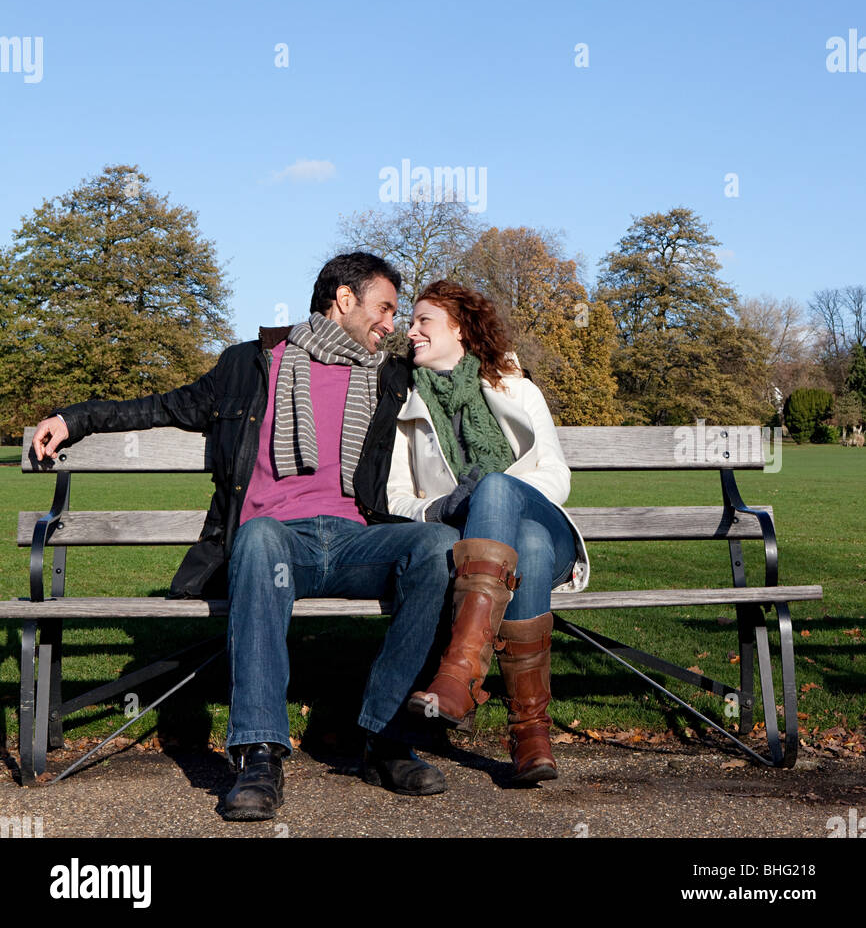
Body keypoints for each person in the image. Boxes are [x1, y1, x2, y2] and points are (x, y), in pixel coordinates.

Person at [31, 252, 458, 819]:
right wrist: (74, 418)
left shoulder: (390, 376)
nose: (391, 322)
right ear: (345, 299)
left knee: (434, 546)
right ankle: (257, 753)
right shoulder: (252, 364)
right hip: (278, 541)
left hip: (358, 541)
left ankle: (384, 738)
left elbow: (467, 386)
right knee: (257, 537)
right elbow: (162, 406)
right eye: (384, 307)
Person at [386, 280, 590, 785]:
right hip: (483, 549)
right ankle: (530, 735)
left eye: (422, 321)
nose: (408, 331)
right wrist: (448, 508)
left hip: (547, 523)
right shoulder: (404, 405)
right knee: (530, 548)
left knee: (502, 495)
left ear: (458, 327)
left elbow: (556, 476)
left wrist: (494, 494)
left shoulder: (514, 387)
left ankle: (461, 669)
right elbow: (395, 498)